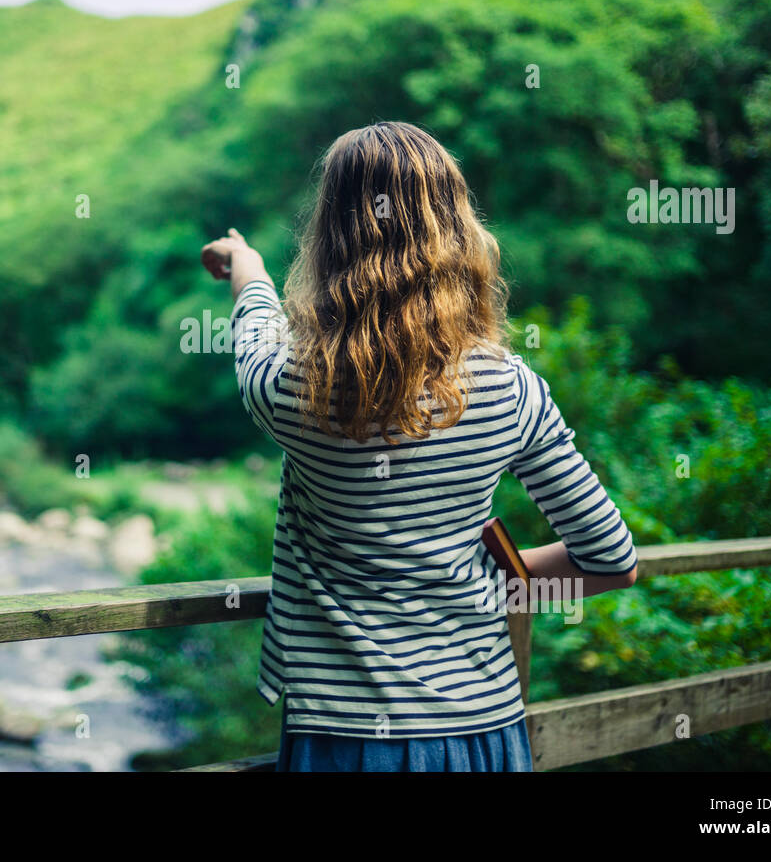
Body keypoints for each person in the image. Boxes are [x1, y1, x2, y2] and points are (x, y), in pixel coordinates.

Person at [199, 121, 638, 772]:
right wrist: (498, 580)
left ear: (331, 237)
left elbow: (256, 334)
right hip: (479, 733)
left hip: (341, 741)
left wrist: (249, 269)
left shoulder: (290, 387)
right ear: (455, 231)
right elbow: (611, 560)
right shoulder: (511, 388)